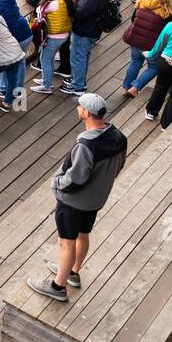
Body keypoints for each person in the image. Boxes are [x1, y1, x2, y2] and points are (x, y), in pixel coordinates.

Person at [28, 94, 128, 302]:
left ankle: (58, 286)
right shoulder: (118, 136)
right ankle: (72, 272)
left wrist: (56, 184)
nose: (78, 109)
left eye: (80, 107)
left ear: (86, 113)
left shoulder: (86, 145)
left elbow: (75, 179)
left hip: (73, 203)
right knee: (83, 234)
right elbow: (119, 166)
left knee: (66, 242)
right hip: (95, 200)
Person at [65, 0, 114, 96]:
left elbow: (79, 14)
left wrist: (73, 3)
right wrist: (80, 0)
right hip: (92, 31)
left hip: (84, 32)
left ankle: (78, 87)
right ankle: (80, 80)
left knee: (78, 58)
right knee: (84, 57)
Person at [121, 0, 172, 97]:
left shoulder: (141, 3)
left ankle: (126, 87)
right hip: (152, 45)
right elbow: (167, 32)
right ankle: (135, 87)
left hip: (134, 39)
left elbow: (132, 19)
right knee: (154, 67)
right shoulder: (167, 13)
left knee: (135, 62)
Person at [30, 0, 76, 94]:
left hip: (54, 36)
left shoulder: (53, 4)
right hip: (64, 34)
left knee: (44, 59)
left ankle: (47, 86)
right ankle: (46, 79)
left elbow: (39, 10)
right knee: (49, 58)